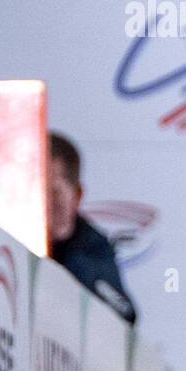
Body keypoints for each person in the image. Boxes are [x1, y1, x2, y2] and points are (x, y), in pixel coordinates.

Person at [47, 132, 137, 324]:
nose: (42, 203)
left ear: (76, 196)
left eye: (53, 193)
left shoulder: (92, 249)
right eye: (32, 190)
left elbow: (125, 314)